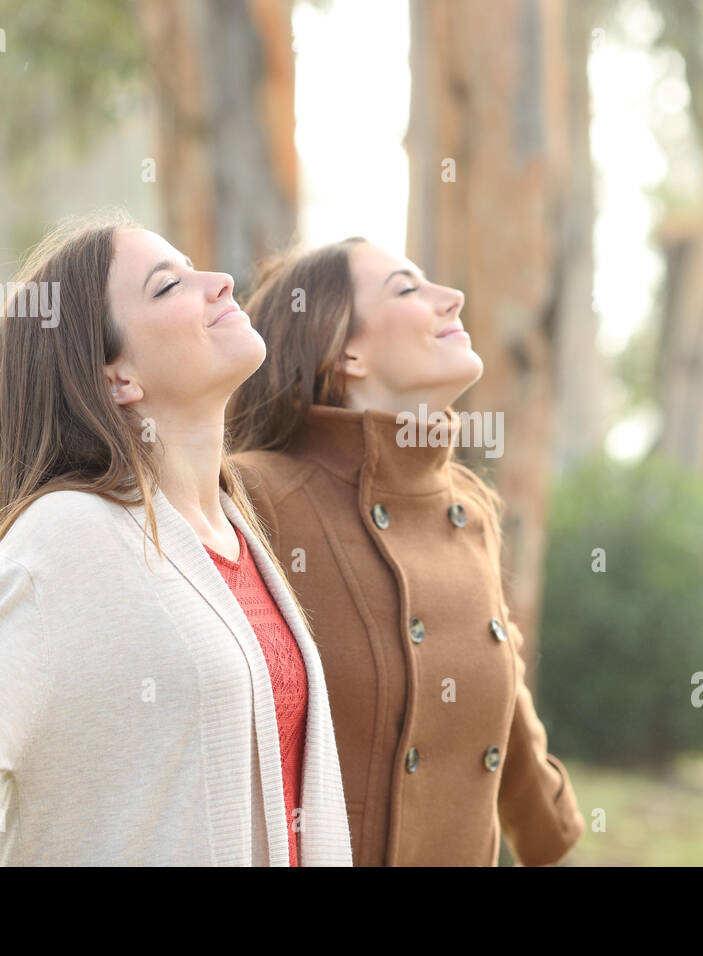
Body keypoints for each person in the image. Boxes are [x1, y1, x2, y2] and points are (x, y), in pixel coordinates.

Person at [0, 211, 351, 866]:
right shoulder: (69, 538)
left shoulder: (239, 535)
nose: (221, 283)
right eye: (168, 285)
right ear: (116, 377)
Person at [224, 237, 585, 866]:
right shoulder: (253, 495)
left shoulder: (469, 510)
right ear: (345, 351)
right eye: (408, 288)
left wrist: (550, 826)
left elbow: (502, 684)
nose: (454, 299)